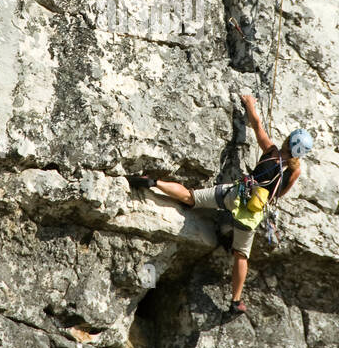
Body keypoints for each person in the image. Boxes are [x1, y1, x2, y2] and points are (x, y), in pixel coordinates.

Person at [129, 94, 313, 315]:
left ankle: (154, 182)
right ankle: (235, 300)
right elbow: (278, 195)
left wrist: (250, 105)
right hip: (250, 213)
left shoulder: (271, 151)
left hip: (234, 195)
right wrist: (295, 168)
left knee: (191, 197)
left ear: (288, 141)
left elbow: (257, 125)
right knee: (241, 255)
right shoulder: (292, 172)